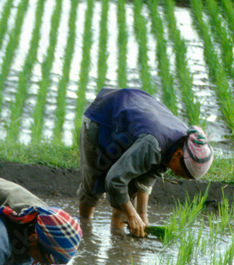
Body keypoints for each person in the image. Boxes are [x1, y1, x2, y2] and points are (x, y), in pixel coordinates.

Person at [77, 86, 214, 236]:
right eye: (181, 172)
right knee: (92, 188)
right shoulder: (154, 145)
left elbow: (149, 175)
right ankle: (84, 231)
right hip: (103, 118)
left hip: (130, 132)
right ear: (179, 154)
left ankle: (117, 241)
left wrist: (142, 215)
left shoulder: (180, 144)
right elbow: (114, 180)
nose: (176, 175)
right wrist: (132, 214)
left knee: (127, 196)